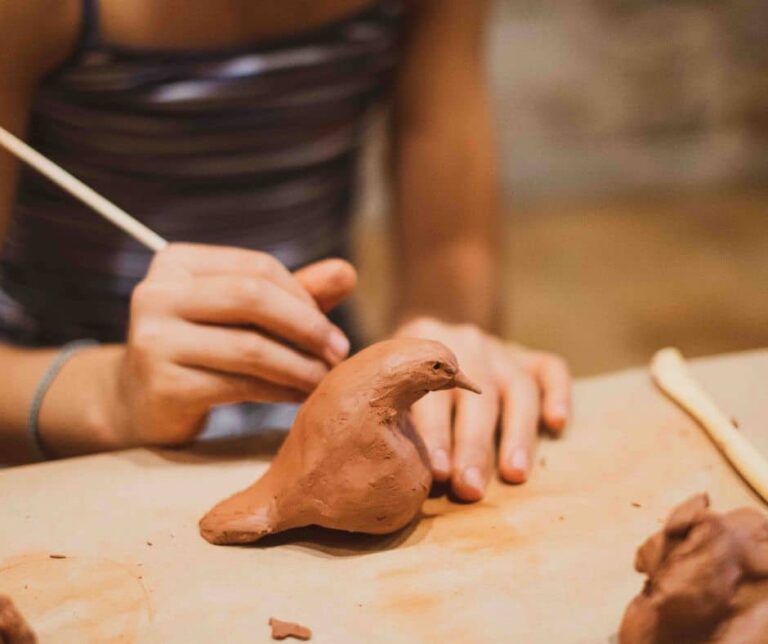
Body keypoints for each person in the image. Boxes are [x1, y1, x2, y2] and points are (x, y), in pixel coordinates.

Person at [0, 0, 571, 501]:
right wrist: (111, 394)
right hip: (57, 411)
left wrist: (445, 350)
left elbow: (453, 251)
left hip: (312, 378)